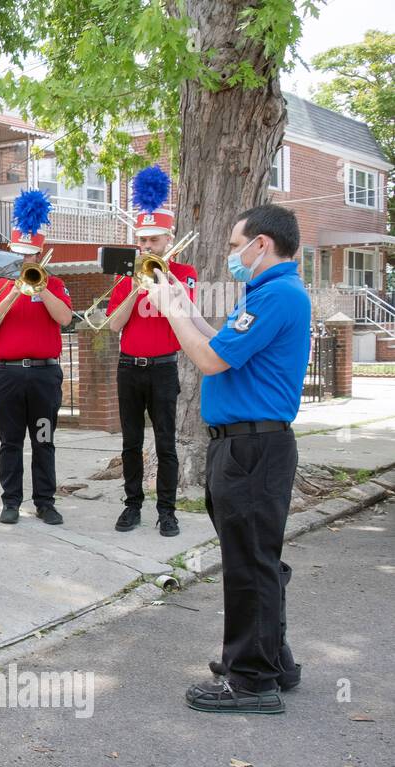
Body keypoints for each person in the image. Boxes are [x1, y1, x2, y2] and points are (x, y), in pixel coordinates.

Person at [148, 203, 311, 715]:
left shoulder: (277, 295)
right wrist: (182, 302)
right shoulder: (266, 293)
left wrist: (172, 312)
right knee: (255, 557)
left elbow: (210, 359)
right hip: (245, 445)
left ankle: (251, 681)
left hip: (252, 447)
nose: (232, 256)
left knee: (249, 563)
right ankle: (269, 658)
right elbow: (220, 341)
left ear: (262, 244)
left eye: (235, 245)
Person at [106, 165, 198, 538]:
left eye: (153, 241)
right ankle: (132, 506)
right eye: (141, 240)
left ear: (168, 239)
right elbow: (114, 325)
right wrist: (134, 287)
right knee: (131, 442)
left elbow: (186, 313)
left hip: (162, 368)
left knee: (165, 444)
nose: (146, 247)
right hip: (129, 367)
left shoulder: (183, 271)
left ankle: (167, 511)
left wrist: (164, 282)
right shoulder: (127, 275)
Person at [0, 189, 74, 525]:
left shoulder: (56, 284)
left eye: (31, 256)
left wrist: (40, 287)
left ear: (40, 255)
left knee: (44, 440)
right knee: (10, 442)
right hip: (6, 375)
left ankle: (45, 501)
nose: (25, 262)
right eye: (20, 255)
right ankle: (11, 501)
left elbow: (64, 319)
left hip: (44, 376)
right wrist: (11, 293)